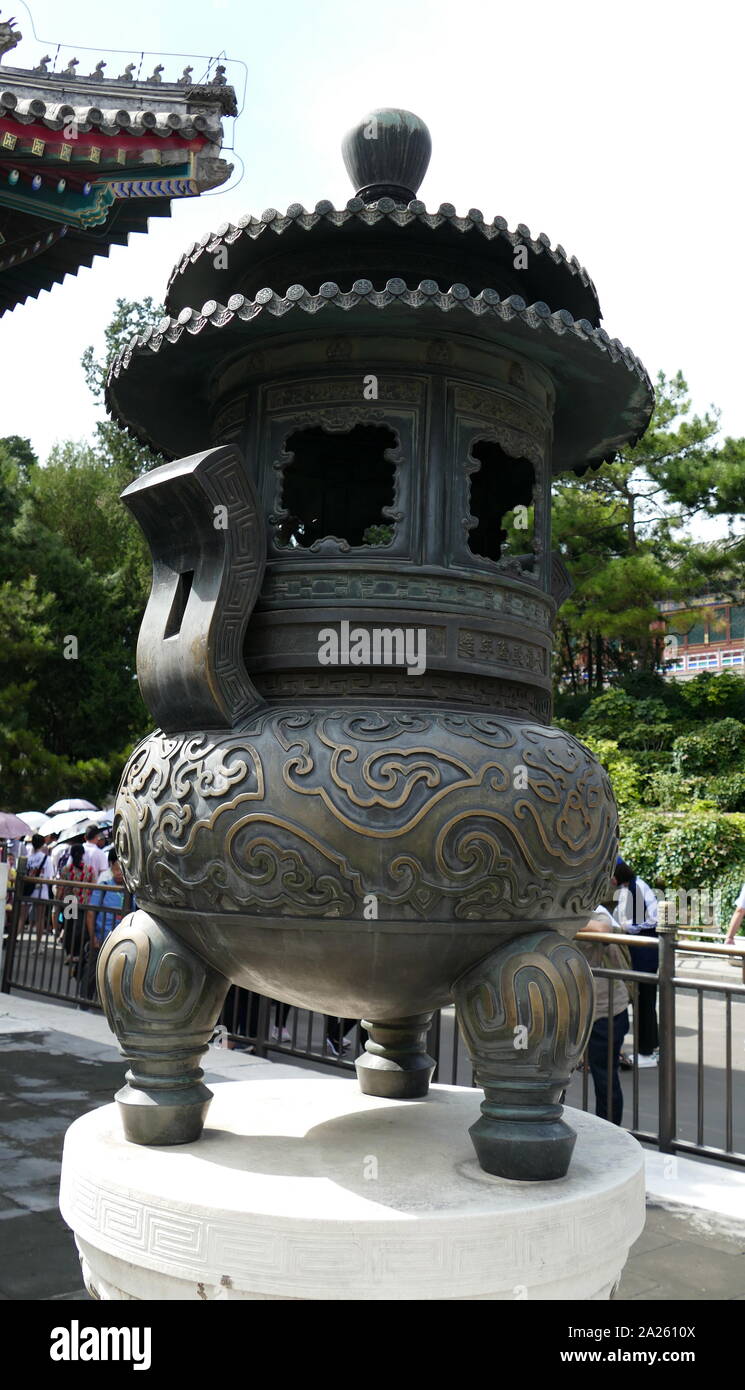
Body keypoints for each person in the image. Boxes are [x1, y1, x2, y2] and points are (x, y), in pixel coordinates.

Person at [578, 905, 631, 1124]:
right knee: (554, 1074)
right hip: (570, 1010)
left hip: (605, 1009)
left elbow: (603, 929)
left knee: (604, 1076)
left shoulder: (594, 910)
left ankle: (611, 1134)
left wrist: (566, 923)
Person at [612, 856, 659, 1066]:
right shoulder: (630, 887)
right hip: (642, 951)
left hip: (644, 952)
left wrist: (625, 928)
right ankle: (650, 1047)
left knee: (644, 1001)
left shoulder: (635, 888)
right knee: (643, 1001)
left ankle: (647, 1051)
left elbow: (641, 921)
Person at [80, 849, 126, 1002]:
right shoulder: (104, 883)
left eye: (122, 870)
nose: (119, 873)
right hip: (99, 935)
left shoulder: (130, 889)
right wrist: (93, 936)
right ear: (111, 868)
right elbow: (91, 912)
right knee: (94, 969)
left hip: (121, 940)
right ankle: (84, 1001)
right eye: (117, 869)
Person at [56, 843, 96, 965]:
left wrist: (56, 902)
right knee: (80, 929)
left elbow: (61, 888)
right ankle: (78, 954)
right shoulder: (89, 869)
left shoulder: (66, 869)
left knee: (68, 929)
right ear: (83, 854)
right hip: (84, 903)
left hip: (69, 903)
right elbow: (94, 886)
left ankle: (70, 954)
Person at [25, 833, 53, 940]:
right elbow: (50, 877)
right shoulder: (46, 858)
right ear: (43, 844)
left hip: (27, 891)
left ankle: (12, 940)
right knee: (40, 919)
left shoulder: (27, 858)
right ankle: (38, 945)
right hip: (42, 891)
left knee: (21, 918)